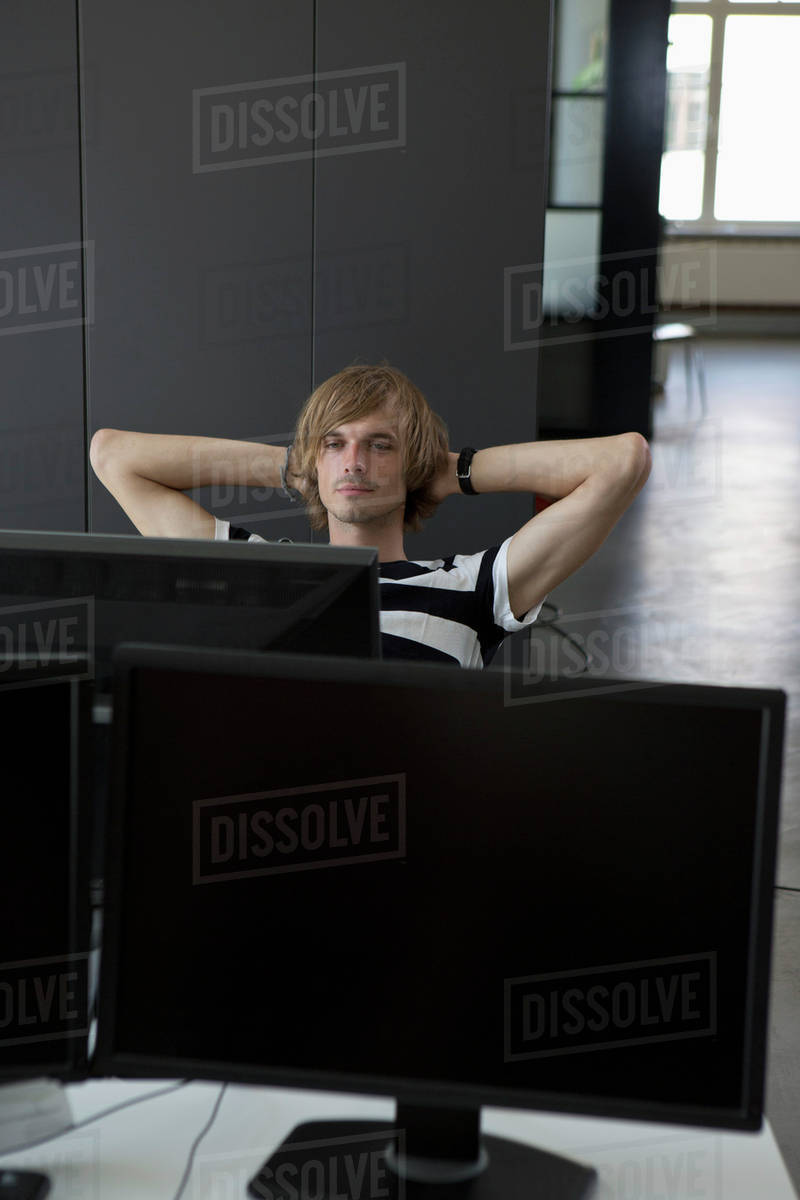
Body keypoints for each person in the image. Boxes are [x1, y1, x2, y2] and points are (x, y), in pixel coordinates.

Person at [90, 362, 651, 668]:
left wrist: (452, 470)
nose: (354, 462)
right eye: (335, 444)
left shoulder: (474, 586)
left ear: (414, 464)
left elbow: (622, 460)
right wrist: (297, 466)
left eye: (380, 445)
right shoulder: (257, 570)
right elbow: (113, 455)